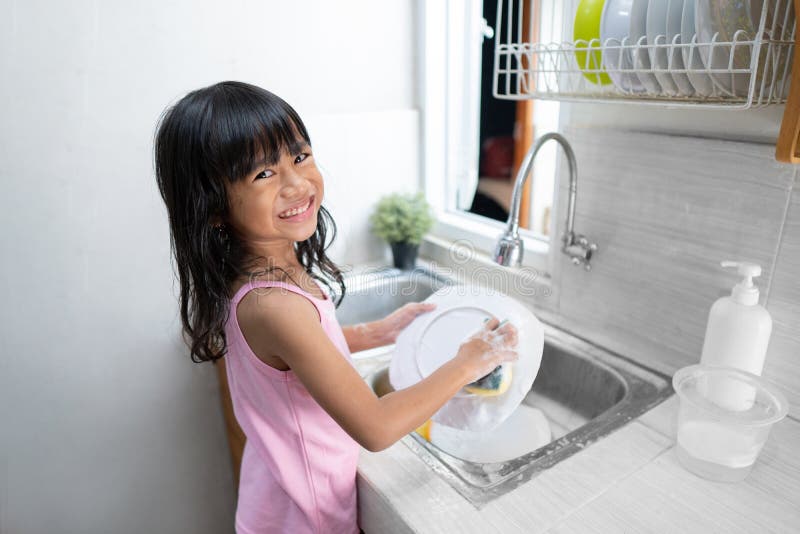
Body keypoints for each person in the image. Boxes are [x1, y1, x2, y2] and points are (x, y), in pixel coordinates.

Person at [153, 81, 519, 534]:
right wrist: (468, 363)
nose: (296, 182)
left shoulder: (256, 274)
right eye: (262, 175)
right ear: (213, 208)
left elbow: (293, 360)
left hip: (275, 495)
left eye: (299, 156)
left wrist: (374, 333)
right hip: (304, 518)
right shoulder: (275, 304)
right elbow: (377, 428)